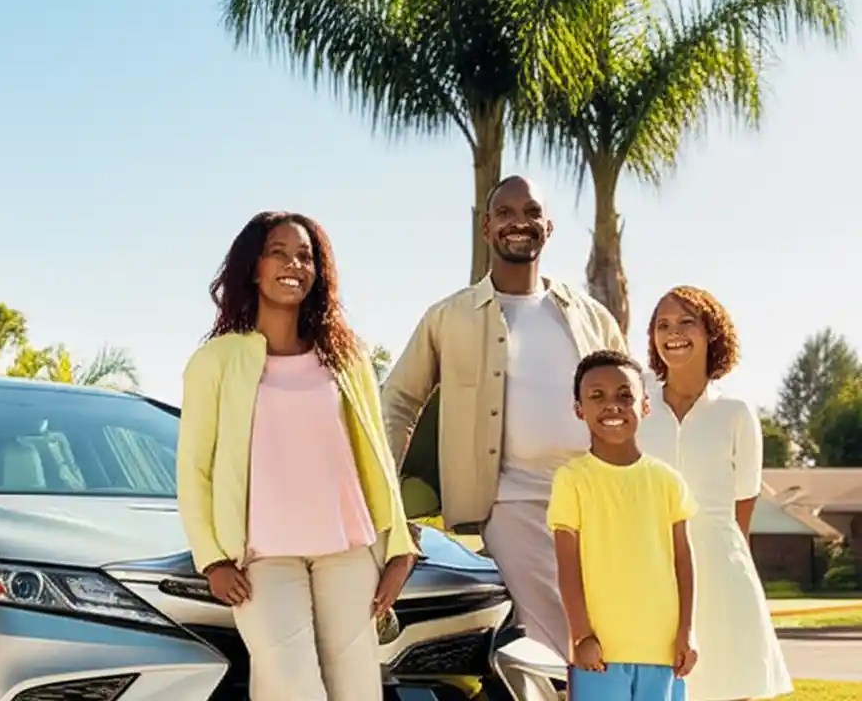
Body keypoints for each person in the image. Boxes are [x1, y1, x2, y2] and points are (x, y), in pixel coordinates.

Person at [177, 211, 419, 701]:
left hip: (347, 552)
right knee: (291, 686)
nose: (294, 265)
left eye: (305, 256)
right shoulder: (215, 361)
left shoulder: (347, 360)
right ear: (253, 268)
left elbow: (375, 457)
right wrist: (212, 560)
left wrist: (399, 551)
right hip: (261, 558)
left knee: (356, 688)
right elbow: (194, 469)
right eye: (278, 253)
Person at [380, 175, 626, 657]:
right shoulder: (449, 316)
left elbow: (632, 401)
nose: (519, 223)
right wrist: (383, 491)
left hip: (597, 498)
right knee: (560, 639)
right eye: (506, 213)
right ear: (486, 226)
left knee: (611, 630)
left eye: (532, 213)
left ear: (548, 227)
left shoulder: (591, 315)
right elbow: (399, 399)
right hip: (510, 502)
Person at [637, 286, 793, 700]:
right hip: (649, 564)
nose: (673, 333)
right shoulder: (638, 407)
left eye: (686, 322)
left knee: (731, 684)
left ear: (712, 333)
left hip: (721, 569)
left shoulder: (736, 412)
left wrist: (727, 565)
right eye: (663, 325)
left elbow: (743, 508)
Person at [549, 350, 698, 700]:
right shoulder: (571, 479)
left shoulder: (667, 481)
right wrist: (581, 635)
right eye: (597, 396)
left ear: (645, 405)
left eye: (624, 395)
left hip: (663, 652)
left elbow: (684, 563)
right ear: (579, 409)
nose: (612, 406)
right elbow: (568, 567)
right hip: (600, 654)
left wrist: (687, 633)